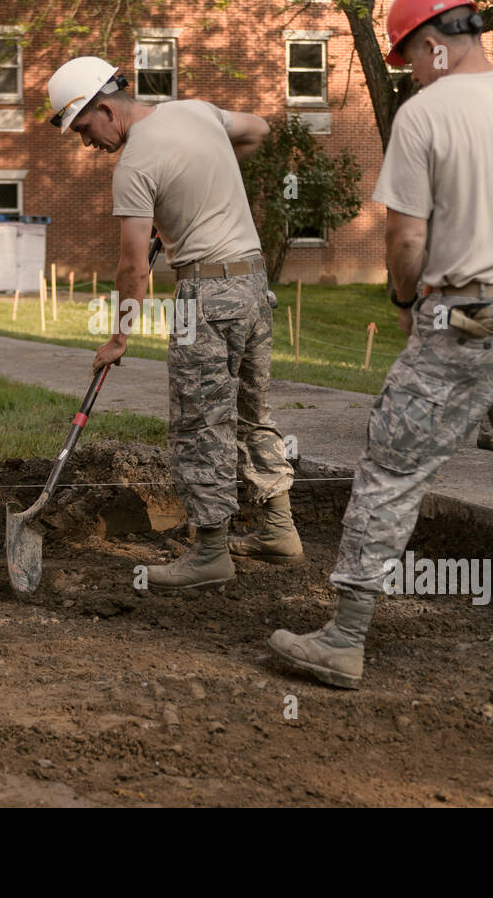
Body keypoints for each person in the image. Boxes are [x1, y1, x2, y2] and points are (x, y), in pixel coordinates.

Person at [269, 0, 493, 700]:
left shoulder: (427, 113)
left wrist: (406, 298)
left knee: (394, 463)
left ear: (434, 44)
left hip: (468, 316)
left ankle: (343, 640)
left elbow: (405, 235)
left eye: (408, 61)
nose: (410, 74)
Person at [47, 56, 300, 589]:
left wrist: (119, 336)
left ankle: (210, 553)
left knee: (199, 420)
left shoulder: (134, 165)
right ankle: (278, 528)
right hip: (253, 284)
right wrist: (200, 187)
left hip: (204, 294)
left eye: (85, 128)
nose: (86, 143)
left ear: (106, 108)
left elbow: (132, 267)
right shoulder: (195, 111)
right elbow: (260, 130)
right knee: (253, 409)